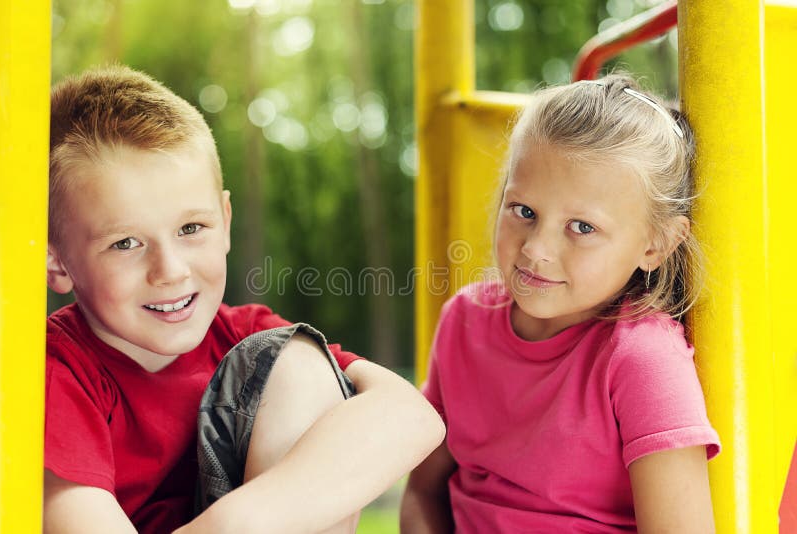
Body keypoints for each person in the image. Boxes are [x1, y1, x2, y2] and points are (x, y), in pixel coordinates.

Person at [43, 65, 445, 534]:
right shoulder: (58, 372)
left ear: (225, 221)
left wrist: (237, 523)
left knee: (294, 358)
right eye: (125, 243)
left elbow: (415, 418)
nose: (171, 270)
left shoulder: (246, 336)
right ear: (58, 263)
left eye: (191, 229)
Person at [400, 74, 720, 533]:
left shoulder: (641, 359)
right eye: (524, 211)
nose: (536, 249)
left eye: (582, 227)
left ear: (657, 244)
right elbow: (423, 491)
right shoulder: (465, 321)